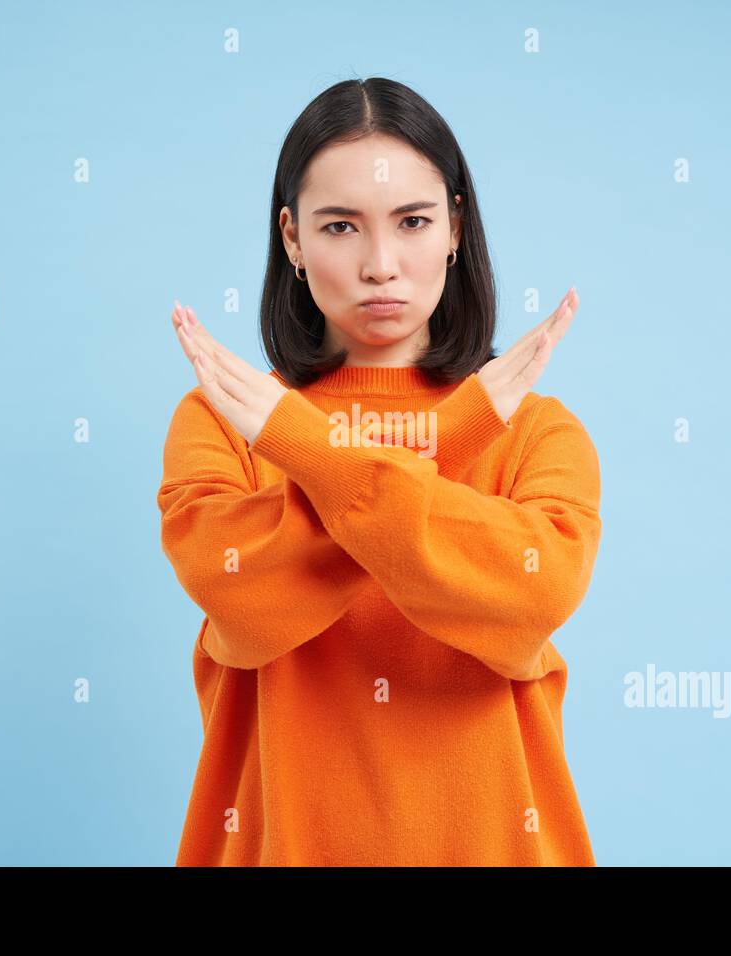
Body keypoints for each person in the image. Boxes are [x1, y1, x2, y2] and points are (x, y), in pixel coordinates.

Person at [157, 77, 602, 866]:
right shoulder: (223, 421)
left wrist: (303, 446)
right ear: (292, 239)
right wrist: (450, 436)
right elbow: (245, 603)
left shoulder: (535, 429)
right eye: (340, 227)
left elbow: (532, 597)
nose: (381, 264)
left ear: (456, 228)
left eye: (413, 221)